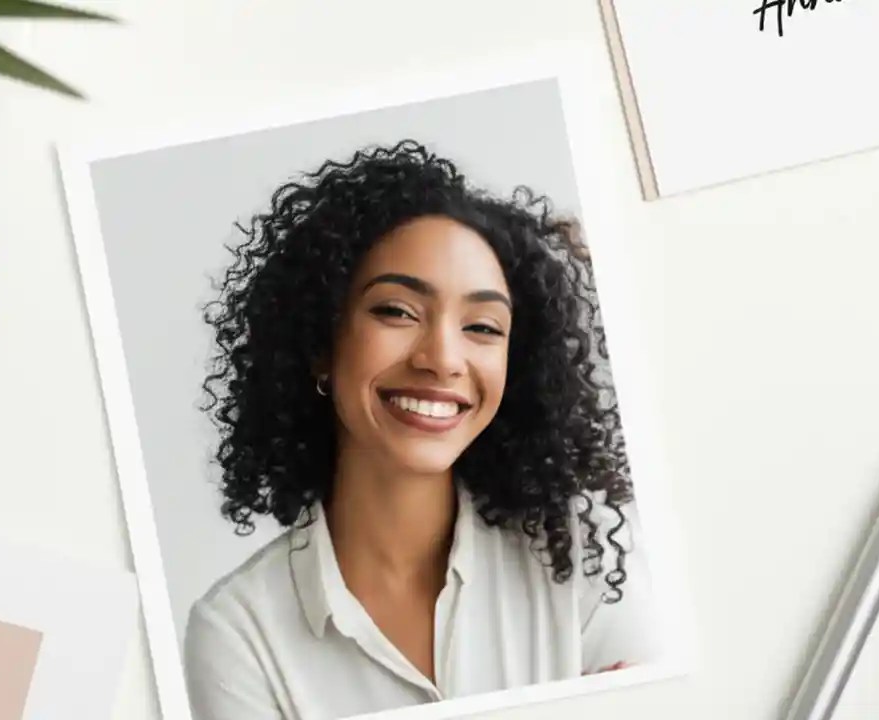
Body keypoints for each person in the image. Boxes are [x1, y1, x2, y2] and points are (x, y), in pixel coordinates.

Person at [184, 140, 659, 720]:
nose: (443, 358)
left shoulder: (589, 552)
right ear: (319, 344)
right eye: (397, 311)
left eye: (483, 326)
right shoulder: (237, 634)